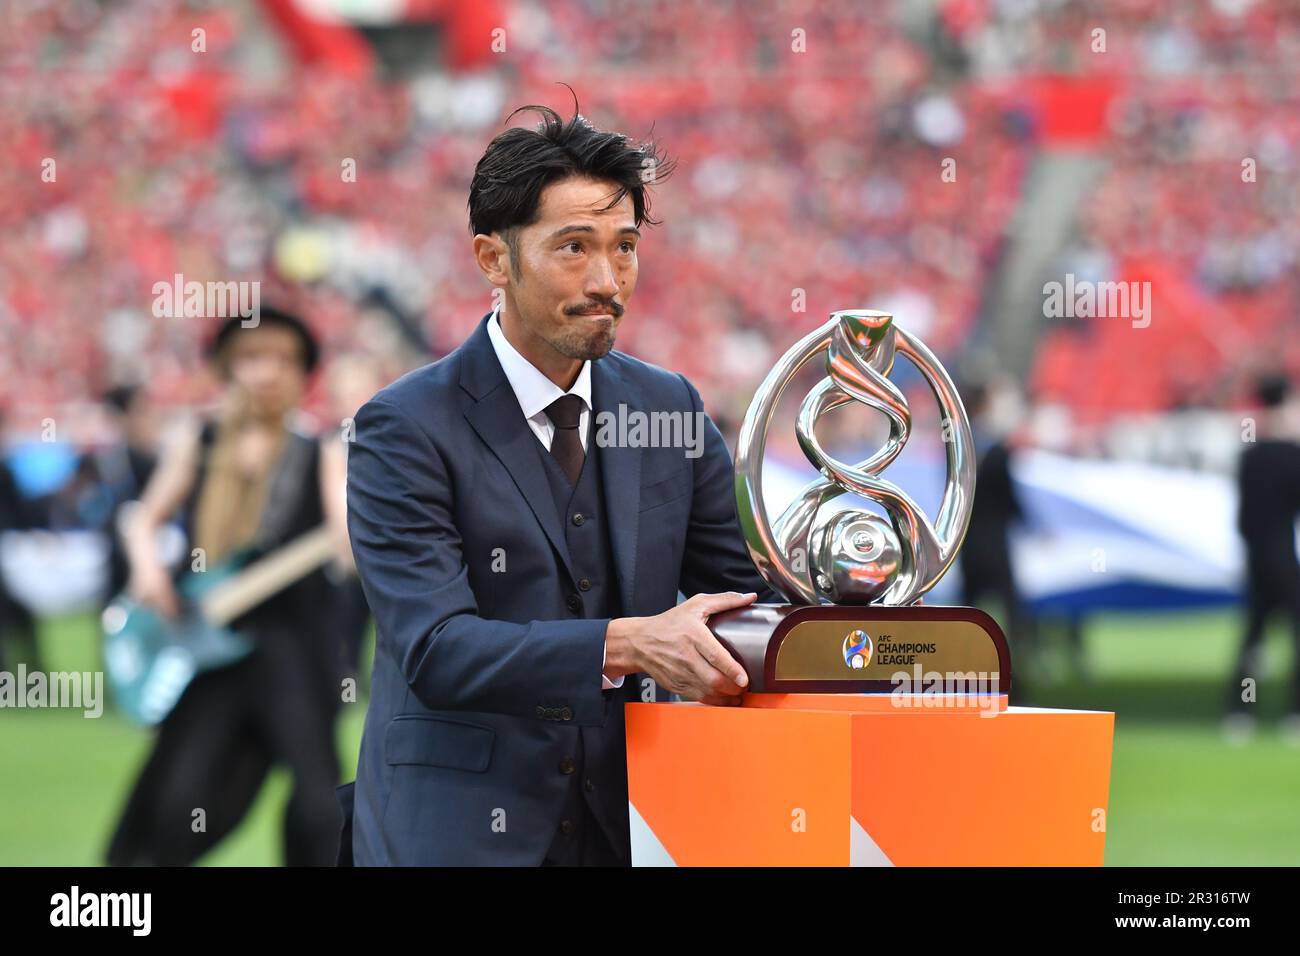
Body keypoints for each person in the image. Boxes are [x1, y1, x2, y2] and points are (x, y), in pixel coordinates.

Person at [339, 101, 779, 867]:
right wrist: (629, 644)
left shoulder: (668, 406)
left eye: (625, 247)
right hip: (453, 838)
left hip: (637, 829)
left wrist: (859, 609)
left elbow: (746, 598)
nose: (607, 280)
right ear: (492, 259)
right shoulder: (402, 425)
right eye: (573, 247)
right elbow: (439, 649)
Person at [105, 305, 351, 865]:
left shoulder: (321, 449)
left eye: (283, 360)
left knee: (318, 801)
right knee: (180, 800)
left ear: (302, 373)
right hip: (209, 645)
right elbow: (143, 518)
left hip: (296, 645)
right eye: (252, 358)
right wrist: (148, 572)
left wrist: (355, 533)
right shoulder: (201, 437)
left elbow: (345, 541)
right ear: (226, 368)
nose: (267, 372)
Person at [1223, 374, 1300, 745]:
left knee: (1253, 639)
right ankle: (1293, 714)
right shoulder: (1293, 455)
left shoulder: (1249, 455)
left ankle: (1241, 712)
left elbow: (1242, 520)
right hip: (1286, 560)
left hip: (1256, 561)